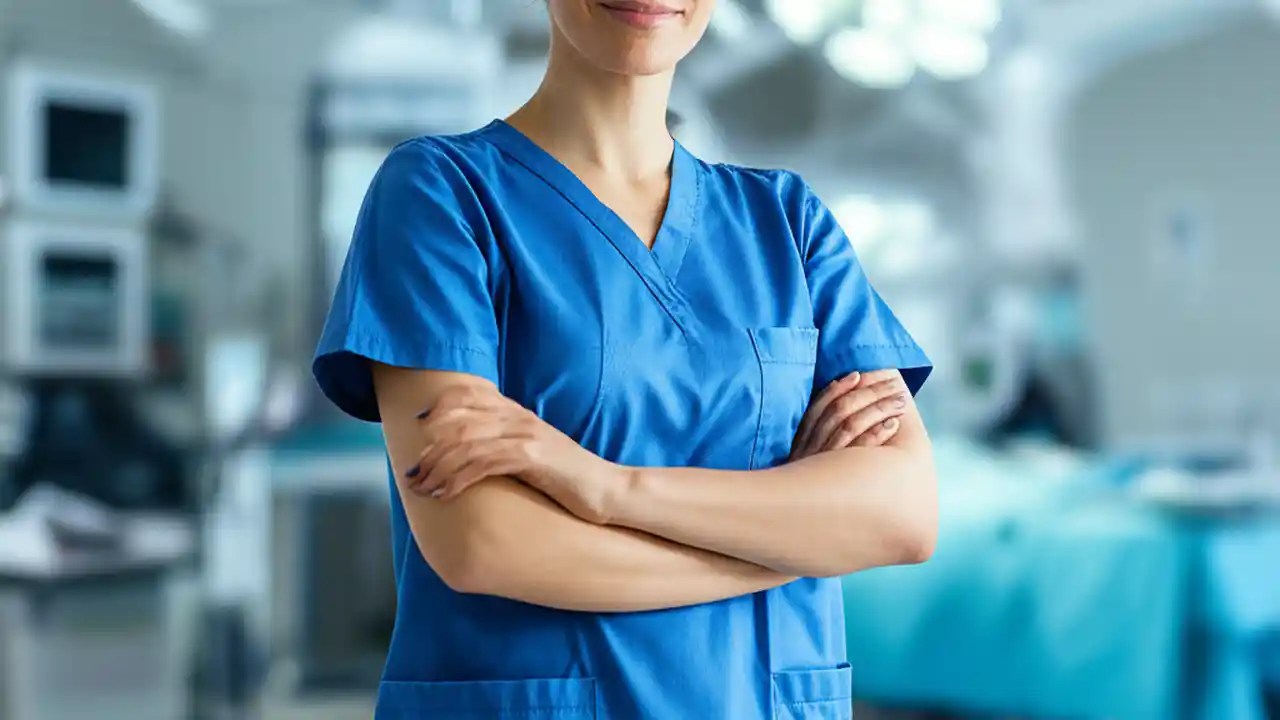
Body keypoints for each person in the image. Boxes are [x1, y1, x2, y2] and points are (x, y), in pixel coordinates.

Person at [313, 1, 937, 717]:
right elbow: (483, 543)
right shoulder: (441, 196)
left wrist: (603, 487)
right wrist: (795, 547)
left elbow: (904, 514)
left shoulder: (788, 223)